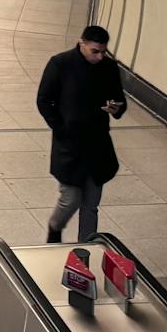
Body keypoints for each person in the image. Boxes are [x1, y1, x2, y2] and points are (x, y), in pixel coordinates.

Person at [35, 25, 127, 243]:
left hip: (98, 145)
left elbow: (119, 100)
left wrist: (116, 108)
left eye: (103, 51)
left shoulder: (109, 67)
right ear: (81, 43)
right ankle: (55, 227)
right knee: (71, 198)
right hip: (70, 145)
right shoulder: (60, 63)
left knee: (91, 204)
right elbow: (43, 100)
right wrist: (61, 128)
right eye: (95, 51)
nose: (100, 56)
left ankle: (86, 249)